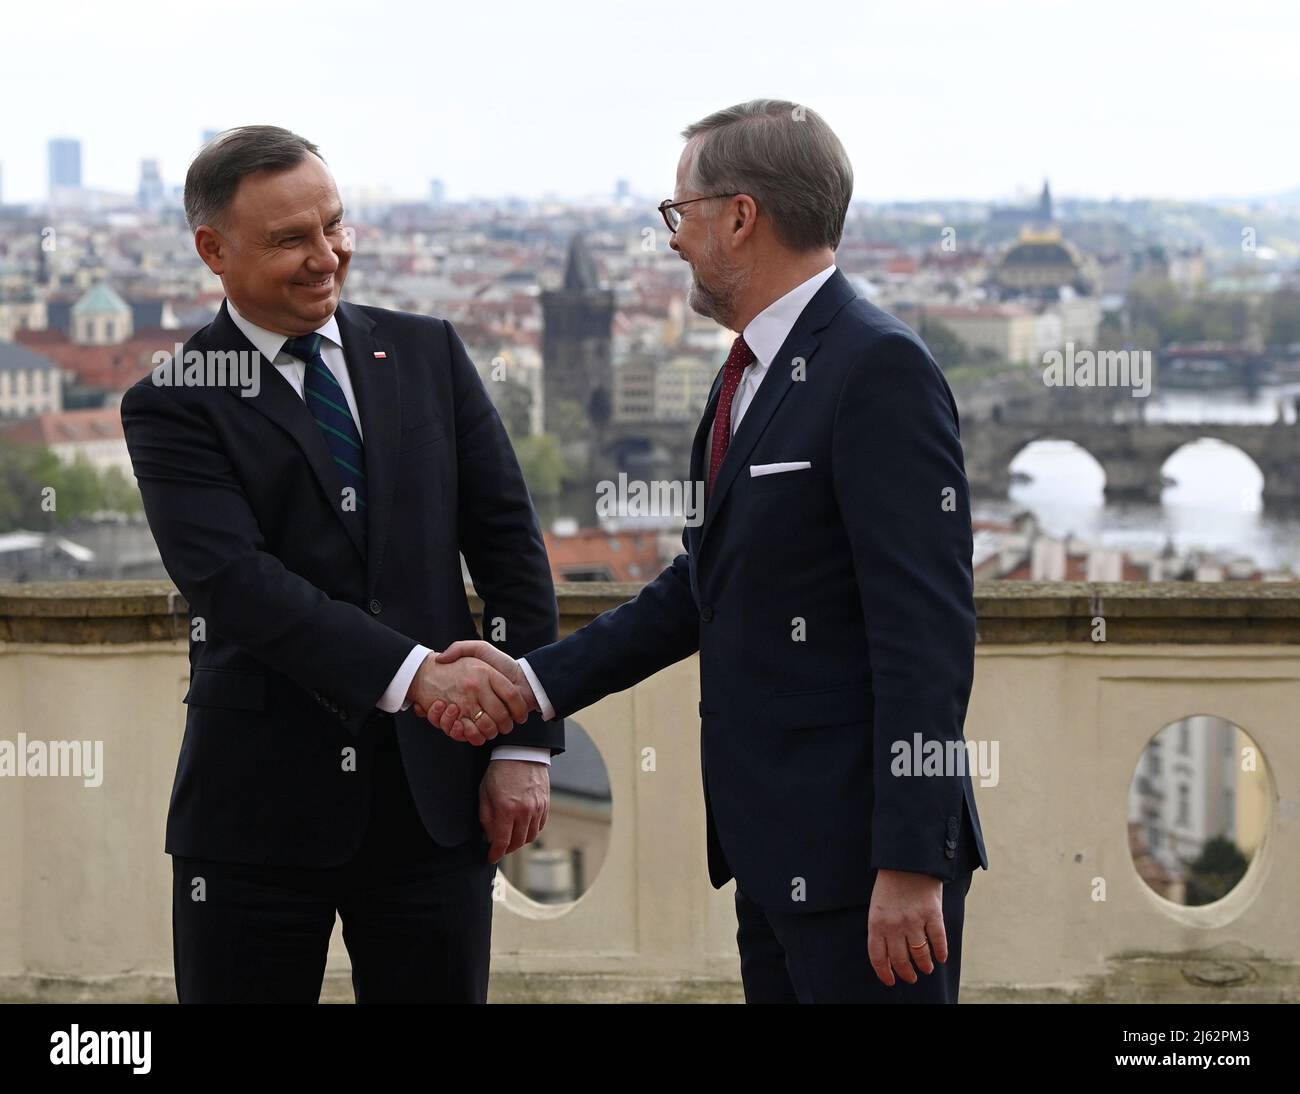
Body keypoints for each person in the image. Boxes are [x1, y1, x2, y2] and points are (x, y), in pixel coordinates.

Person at [425, 100, 989, 1003]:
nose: (674, 240)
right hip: (772, 848)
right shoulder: (752, 374)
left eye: (679, 214)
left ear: (740, 215)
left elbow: (926, 635)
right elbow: (704, 588)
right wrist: (532, 686)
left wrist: (913, 862)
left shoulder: (876, 366)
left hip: (861, 861)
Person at [120, 125, 561, 1003]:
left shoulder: (428, 350)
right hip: (254, 815)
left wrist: (526, 742)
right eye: (292, 239)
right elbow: (236, 584)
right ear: (213, 249)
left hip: (436, 803)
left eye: (335, 225)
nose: (327, 256)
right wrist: (412, 677)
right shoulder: (173, 402)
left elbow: (511, 547)